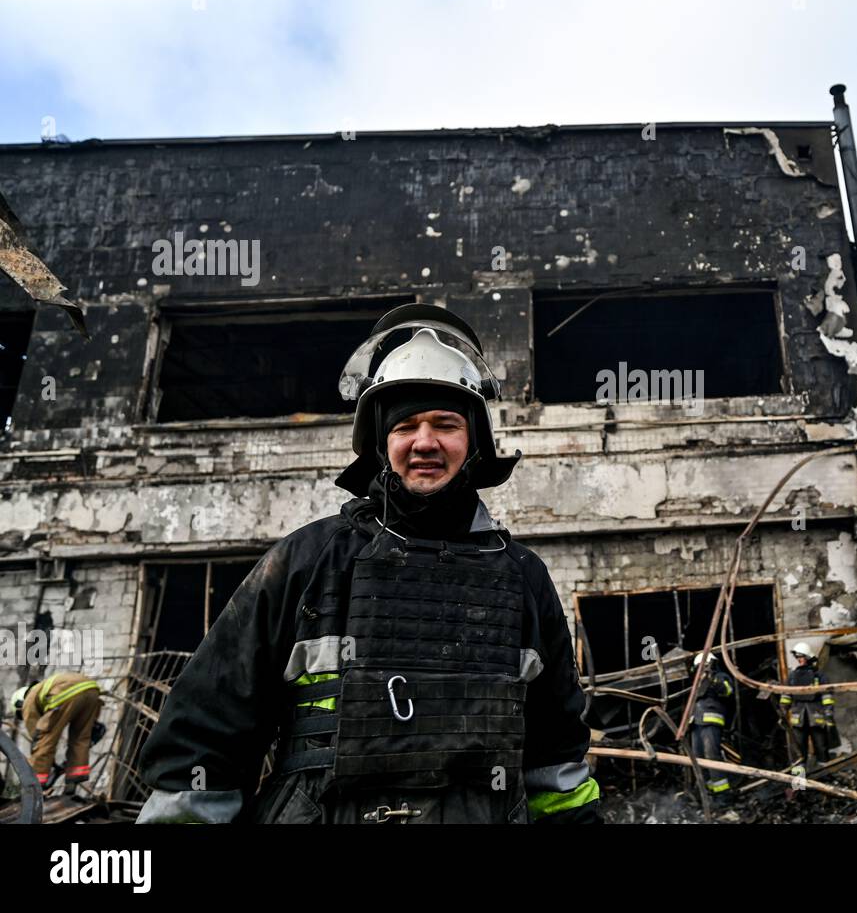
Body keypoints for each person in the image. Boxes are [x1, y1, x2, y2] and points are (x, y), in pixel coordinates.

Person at [137, 304, 599, 823]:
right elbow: (205, 738)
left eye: (445, 423)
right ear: (381, 445)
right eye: (405, 426)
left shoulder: (522, 577)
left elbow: (555, 758)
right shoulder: (306, 561)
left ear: (474, 442)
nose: (425, 442)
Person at [11, 671, 102, 793]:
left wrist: (44, 758)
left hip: (67, 692)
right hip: (92, 690)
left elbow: (38, 736)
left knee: (44, 738)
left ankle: (36, 786)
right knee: (81, 737)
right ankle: (73, 783)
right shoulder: (42, 690)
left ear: (19, 704)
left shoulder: (29, 699)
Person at [780, 642, 834, 776]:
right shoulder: (792, 676)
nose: (799, 659)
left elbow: (827, 697)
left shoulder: (819, 676)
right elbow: (786, 696)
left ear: (808, 657)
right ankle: (798, 781)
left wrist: (828, 715)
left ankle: (826, 777)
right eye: (797, 657)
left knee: (821, 747)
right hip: (799, 719)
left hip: (816, 717)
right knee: (799, 751)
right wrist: (782, 712)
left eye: (802, 657)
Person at [687, 651, 735, 803]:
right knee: (698, 757)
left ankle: (723, 795)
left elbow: (727, 690)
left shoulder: (720, 676)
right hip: (696, 722)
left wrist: (713, 680)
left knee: (711, 756)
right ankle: (708, 791)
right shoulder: (698, 682)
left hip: (711, 721)